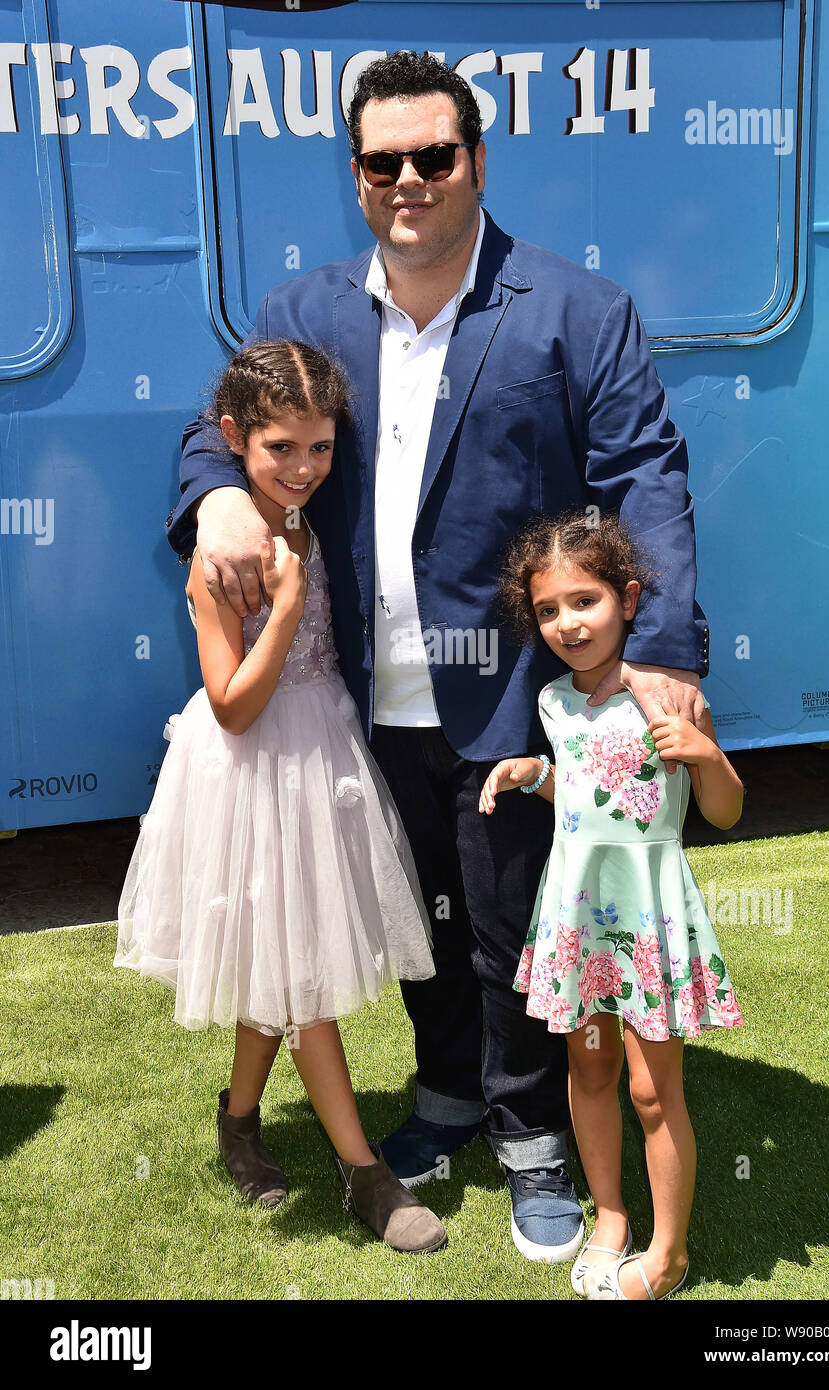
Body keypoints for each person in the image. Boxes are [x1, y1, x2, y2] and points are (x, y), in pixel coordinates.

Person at [166, 50, 711, 1262]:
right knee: (415, 919)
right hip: (359, 698)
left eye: (434, 155)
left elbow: (642, 475)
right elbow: (225, 429)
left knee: (515, 922)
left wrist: (662, 652)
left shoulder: (576, 308)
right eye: (382, 160)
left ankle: (529, 1138)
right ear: (355, 177)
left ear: (476, 160)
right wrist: (214, 498)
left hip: (518, 695)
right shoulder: (302, 313)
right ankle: (448, 1097)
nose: (408, 178)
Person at [116, 340, 446, 1255]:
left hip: (325, 758)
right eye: (279, 451)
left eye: (320, 448)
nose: (303, 469)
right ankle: (366, 1173)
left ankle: (239, 1117)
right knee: (301, 977)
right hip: (252, 770)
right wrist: (289, 612)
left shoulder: (312, 519)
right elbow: (229, 707)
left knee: (281, 959)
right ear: (234, 440)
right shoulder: (221, 558)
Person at [479, 511, 744, 1298]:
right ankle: (610, 1216)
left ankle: (667, 1254)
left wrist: (704, 756)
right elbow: (588, 793)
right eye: (549, 610)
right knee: (588, 1068)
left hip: (648, 912)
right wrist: (532, 774)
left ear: (628, 599)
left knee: (650, 1089)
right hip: (576, 911)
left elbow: (725, 812)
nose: (567, 622)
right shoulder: (555, 702)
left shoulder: (667, 695)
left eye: (584, 601)